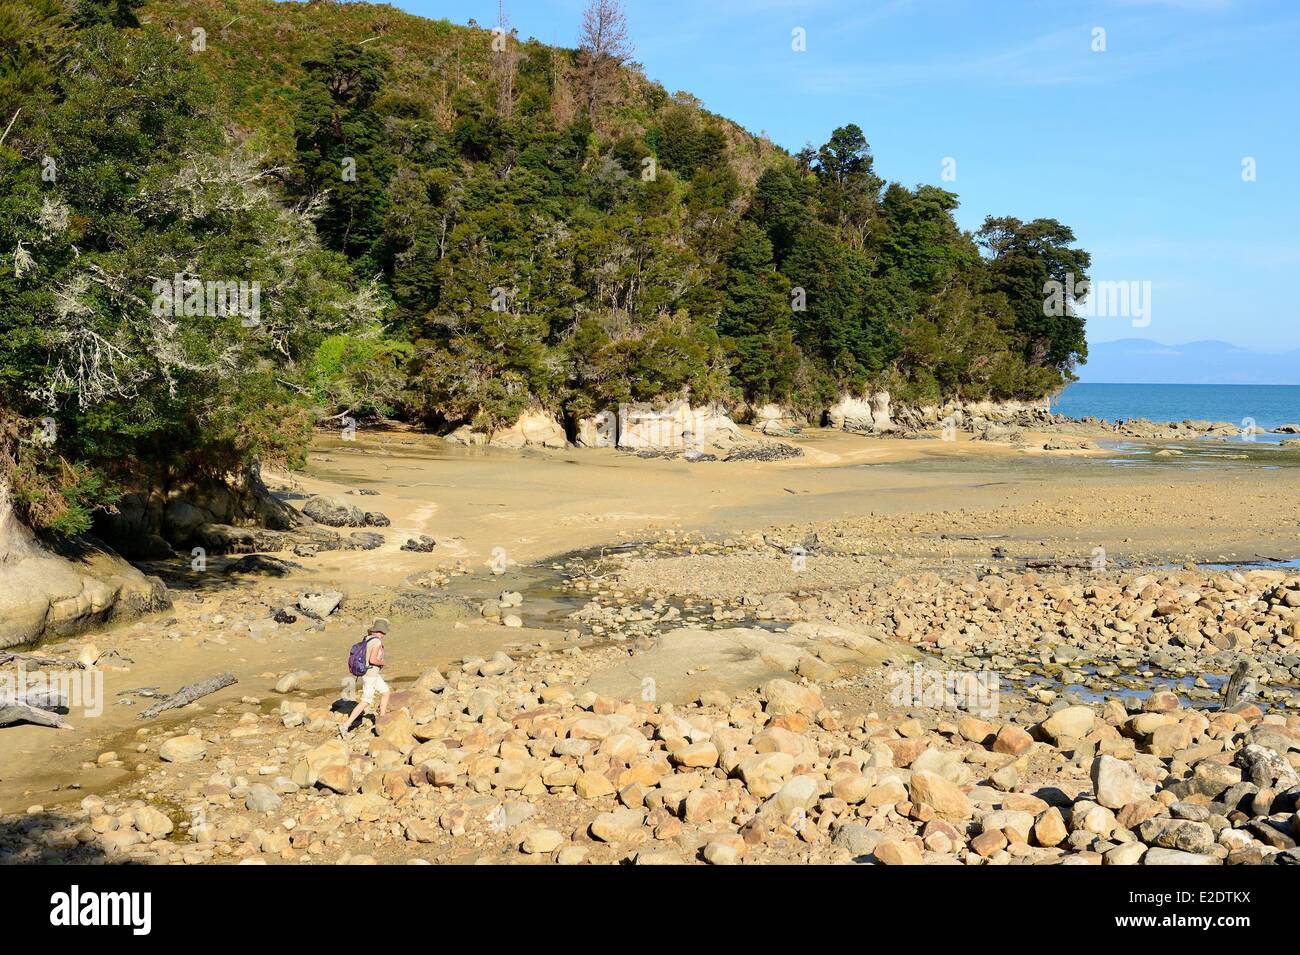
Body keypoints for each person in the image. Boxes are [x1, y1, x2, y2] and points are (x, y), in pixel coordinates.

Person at [341, 618, 390, 737]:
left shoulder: (367, 639)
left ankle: (382, 718)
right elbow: (372, 659)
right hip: (370, 675)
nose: (384, 635)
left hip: (372, 674)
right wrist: (383, 663)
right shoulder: (377, 642)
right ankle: (345, 725)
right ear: (381, 632)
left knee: (386, 692)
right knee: (366, 701)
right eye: (384, 632)